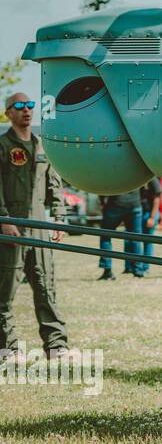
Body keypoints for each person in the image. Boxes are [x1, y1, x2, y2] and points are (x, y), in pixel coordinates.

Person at [0, 93, 69, 363]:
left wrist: (59, 216)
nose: (27, 110)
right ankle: (8, 350)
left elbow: (54, 183)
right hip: (11, 227)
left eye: (30, 106)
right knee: (4, 293)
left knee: (45, 287)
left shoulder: (43, 145)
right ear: (8, 113)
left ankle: (56, 347)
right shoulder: (3, 145)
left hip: (39, 227)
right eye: (19, 106)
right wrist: (4, 219)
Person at [97, 189, 145, 280]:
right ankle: (138, 271)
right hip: (134, 204)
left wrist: (103, 202)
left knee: (105, 236)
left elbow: (102, 186)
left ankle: (107, 271)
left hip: (115, 204)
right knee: (136, 239)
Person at [138, 177, 162, 274]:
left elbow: (157, 198)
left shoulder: (152, 179)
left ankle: (146, 267)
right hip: (141, 212)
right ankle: (133, 266)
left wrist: (152, 217)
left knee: (147, 240)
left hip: (150, 213)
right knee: (135, 239)